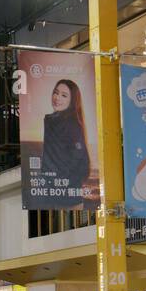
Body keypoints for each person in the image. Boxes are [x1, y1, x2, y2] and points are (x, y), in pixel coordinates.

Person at [38, 78, 93, 208]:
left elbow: (81, 159)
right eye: (56, 93)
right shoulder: (51, 120)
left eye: (64, 95)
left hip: (69, 196)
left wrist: (65, 180)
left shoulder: (72, 124)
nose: (57, 98)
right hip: (53, 191)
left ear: (72, 100)